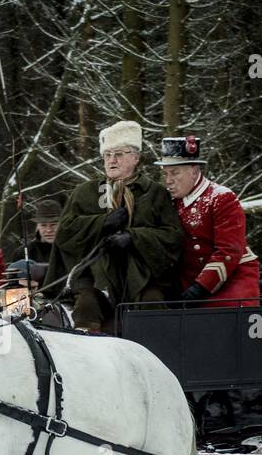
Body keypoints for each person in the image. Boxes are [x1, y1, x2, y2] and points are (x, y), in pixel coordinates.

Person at [42, 120, 182, 332]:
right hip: (96, 279)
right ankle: (88, 358)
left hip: (143, 279)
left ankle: (153, 356)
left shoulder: (154, 193)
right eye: (107, 155)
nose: (112, 160)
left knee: (152, 303)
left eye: (119, 154)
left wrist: (134, 238)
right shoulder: (85, 193)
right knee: (87, 304)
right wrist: (102, 223)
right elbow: (65, 233)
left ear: (135, 158)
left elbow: (172, 237)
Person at [155, 135, 259, 304]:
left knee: (222, 320)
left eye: (174, 173)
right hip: (190, 281)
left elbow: (229, 251)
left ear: (194, 171)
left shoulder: (221, 197)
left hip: (231, 279)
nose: (168, 181)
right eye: (165, 174)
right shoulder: (170, 202)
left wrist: (201, 287)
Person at [3, 198, 61, 290]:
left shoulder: (70, 250)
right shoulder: (22, 252)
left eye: (53, 225)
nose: (49, 230)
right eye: (43, 225)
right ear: (37, 226)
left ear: (61, 224)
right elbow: (13, 284)